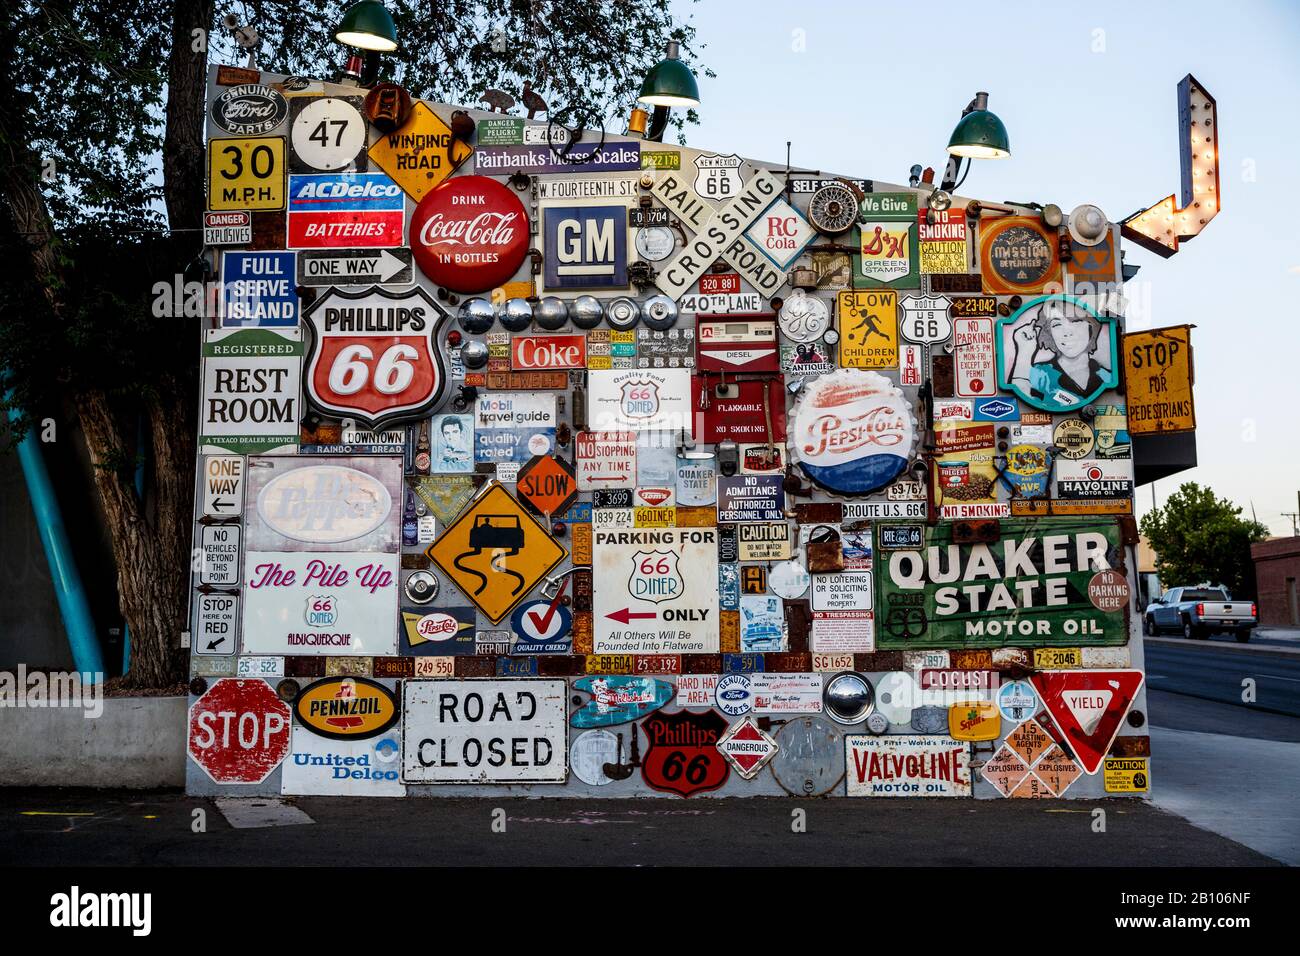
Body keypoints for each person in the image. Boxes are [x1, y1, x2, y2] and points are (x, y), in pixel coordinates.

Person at [1008, 298, 1110, 409]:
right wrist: (1024, 351)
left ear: (1091, 327)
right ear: (1048, 332)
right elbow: (1020, 403)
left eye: (1076, 322)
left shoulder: (1106, 376)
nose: (1067, 332)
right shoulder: (1039, 374)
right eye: (1057, 325)